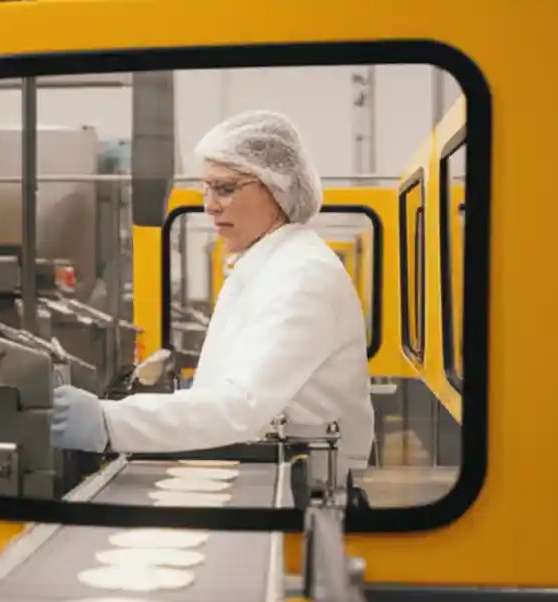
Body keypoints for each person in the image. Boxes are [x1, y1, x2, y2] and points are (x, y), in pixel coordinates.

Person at [52, 110, 373, 483]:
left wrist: (105, 421)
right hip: (273, 468)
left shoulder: (302, 276)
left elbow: (240, 406)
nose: (209, 206)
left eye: (224, 188)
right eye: (206, 189)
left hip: (309, 486)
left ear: (277, 187)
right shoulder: (266, 265)